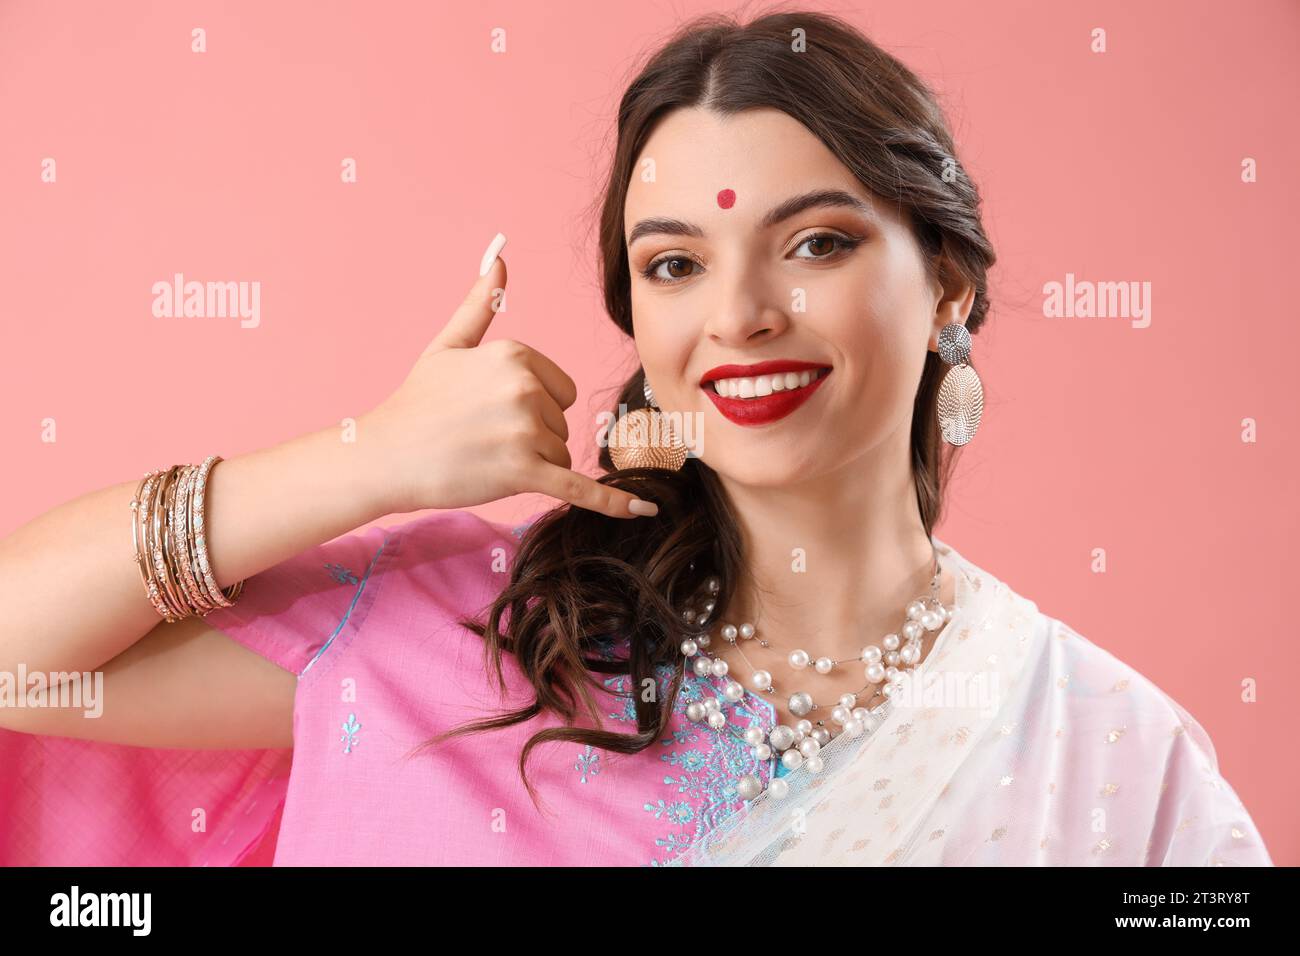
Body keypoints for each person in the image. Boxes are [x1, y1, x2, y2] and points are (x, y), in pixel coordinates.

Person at [0, 10, 1272, 867]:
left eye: (817, 241)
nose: (739, 314)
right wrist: (367, 456)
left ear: (945, 280)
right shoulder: (462, 630)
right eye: (674, 263)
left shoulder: (1111, 757)